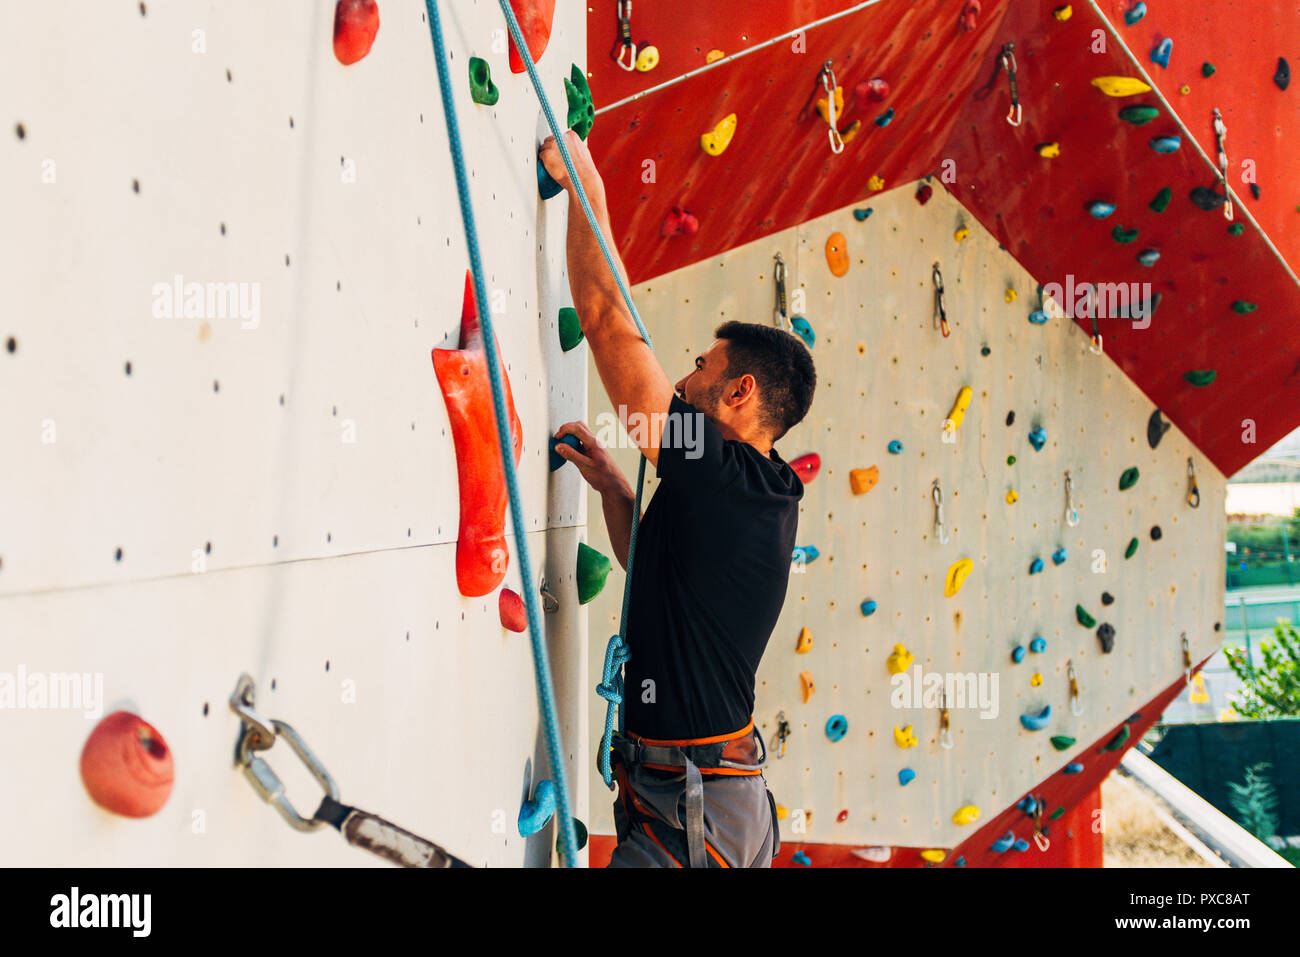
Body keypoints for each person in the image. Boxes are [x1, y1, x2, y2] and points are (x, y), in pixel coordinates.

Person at [540, 131, 816, 867]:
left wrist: (586, 186)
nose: (686, 380)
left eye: (701, 366)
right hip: (701, 799)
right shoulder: (759, 488)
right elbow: (666, 581)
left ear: (740, 390)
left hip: (698, 811)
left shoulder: (726, 478)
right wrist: (619, 491)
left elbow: (605, 328)